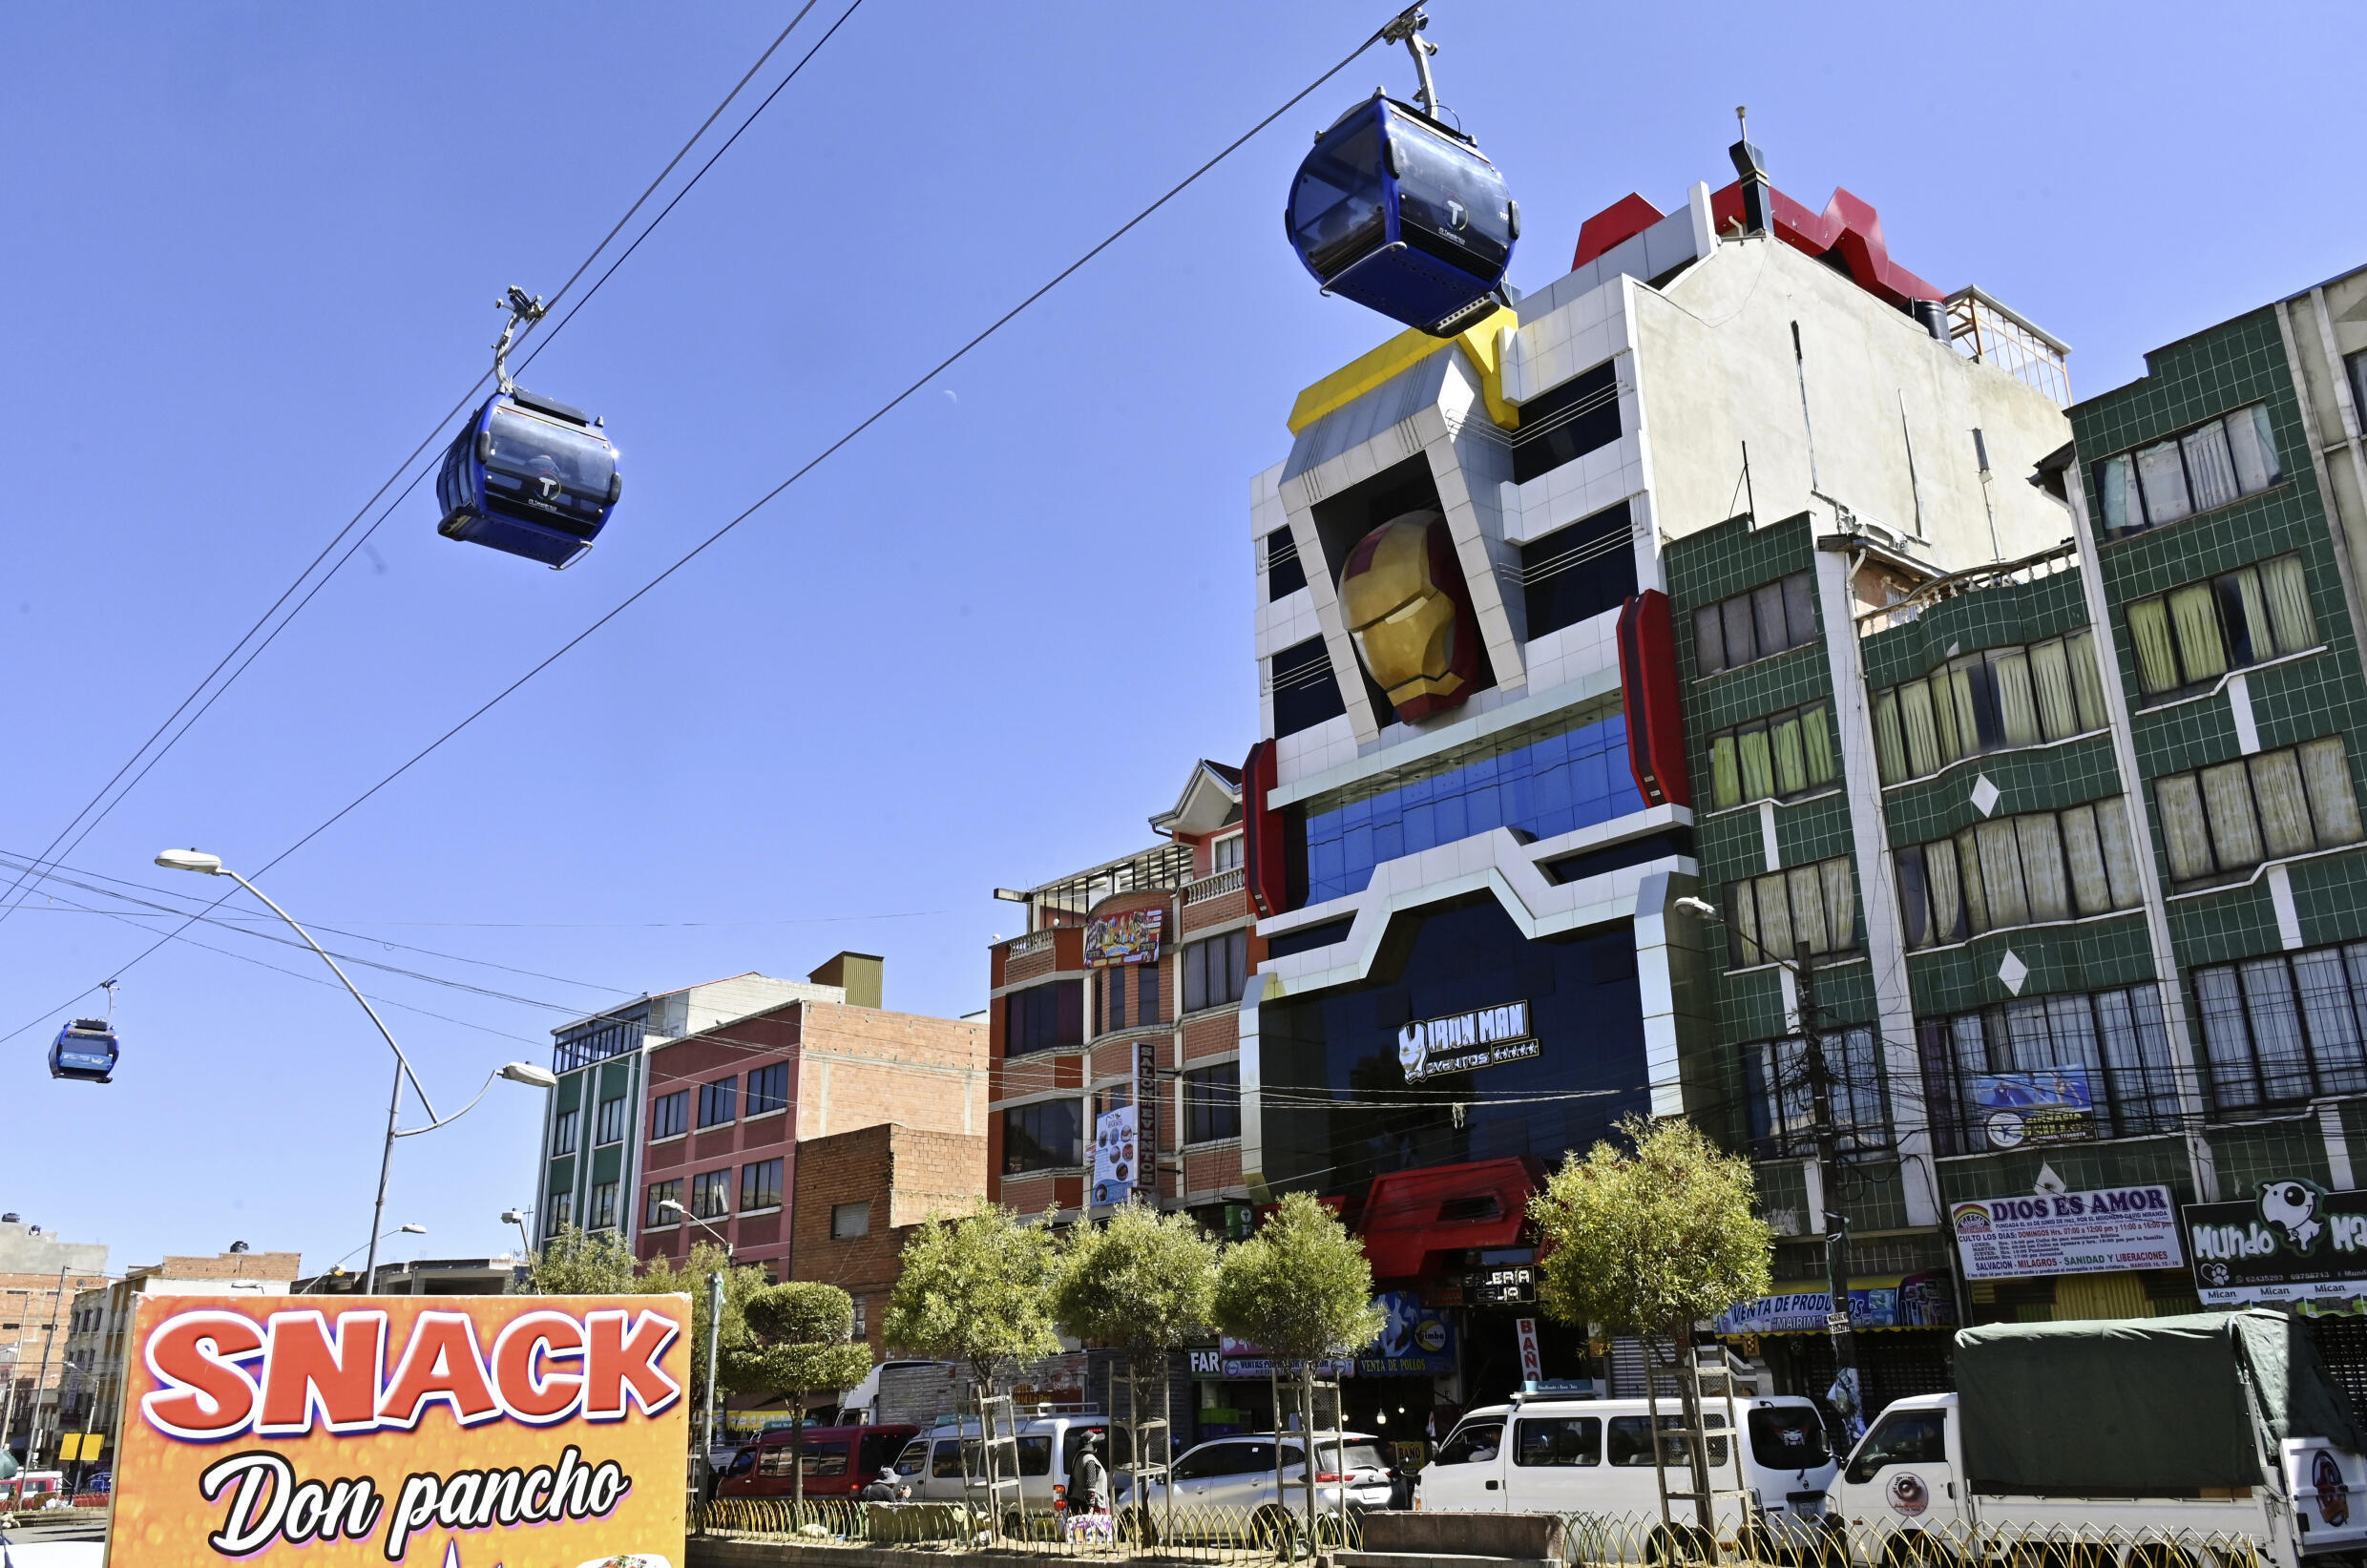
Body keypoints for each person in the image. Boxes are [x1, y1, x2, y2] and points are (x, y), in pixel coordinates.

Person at [1069, 1432, 1110, 1516]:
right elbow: (1090, 1487)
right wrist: (1091, 1508)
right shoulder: (1089, 1459)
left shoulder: (1079, 1457)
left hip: (1078, 1504)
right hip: (1094, 1508)